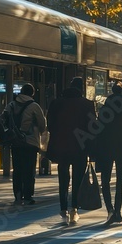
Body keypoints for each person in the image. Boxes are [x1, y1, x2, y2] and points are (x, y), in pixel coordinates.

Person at [46, 77, 97, 225]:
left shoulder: (56, 103)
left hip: (61, 146)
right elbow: (93, 127)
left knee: (63, 177)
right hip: (80, 147)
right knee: (78, 178)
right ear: (81, 89)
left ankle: (63, 208)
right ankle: (74, 207)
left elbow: (50, 124)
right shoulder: (87, 105)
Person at [93, 83, 122, 226]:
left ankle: (110, 210)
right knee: (119, 182)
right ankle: (118, 212)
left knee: (105, 181)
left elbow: (97, 130)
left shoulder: (104, 110)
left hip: (105, 148)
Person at [1, 84, 47, 205]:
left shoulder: (11, 105)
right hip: (30, 142)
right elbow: (42, 124)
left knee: (17, 169)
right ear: (32, 93)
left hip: (16, 142)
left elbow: (3, 119)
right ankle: (28, 195)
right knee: (29, 169)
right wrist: (39, 133)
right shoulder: (34, 106)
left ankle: (17, 194)